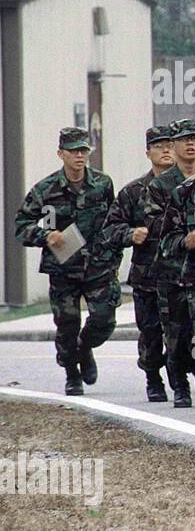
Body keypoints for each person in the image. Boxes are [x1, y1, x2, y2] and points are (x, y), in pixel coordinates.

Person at [14, 127, 120, 396]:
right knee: (67, 323)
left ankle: (85, 348)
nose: (79, 156)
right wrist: (45, 236)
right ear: (61, 154)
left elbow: (114, 221)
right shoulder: (45, 190)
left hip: (98, 265)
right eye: (74, 151)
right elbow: (21, 225)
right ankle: (72, 373)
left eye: (83, 150)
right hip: (63, 267)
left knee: (104, 319)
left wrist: (114, 255)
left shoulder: (103, 184)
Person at [103, 124, 176, 402]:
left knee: (185, 330)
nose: (166, 150)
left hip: (184, 274)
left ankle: (186, 371)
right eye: (159, 146)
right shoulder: (133, 192)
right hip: (148, 274)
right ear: (148, 153)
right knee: (150, 330)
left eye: (170, 144)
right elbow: (110, 229)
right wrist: (130, 234)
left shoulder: (191, 184)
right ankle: (152, 377)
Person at [145, 118, 195, 408]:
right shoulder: (160, 186)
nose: (190, 144)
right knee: (176, 334)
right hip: (171, 271)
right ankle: (179, 384)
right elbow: (156, 227)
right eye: (183, 140)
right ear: (175, 146)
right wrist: (183, 240)